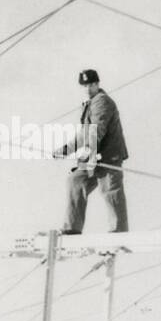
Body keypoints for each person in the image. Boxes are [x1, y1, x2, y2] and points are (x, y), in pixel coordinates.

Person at [53, 70, 129, 234]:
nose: (88, 88)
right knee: (75, 181)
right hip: (93, 157)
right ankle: (72, 227)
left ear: (97, 84)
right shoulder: (89, 104)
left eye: (91, 84)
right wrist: (65, 150)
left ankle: (118, 230)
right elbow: (84, 134)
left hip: (108, 157)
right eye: (85, 85)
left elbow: (97, 130)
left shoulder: (102, 102)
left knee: (110, 190)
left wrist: (88, 151)